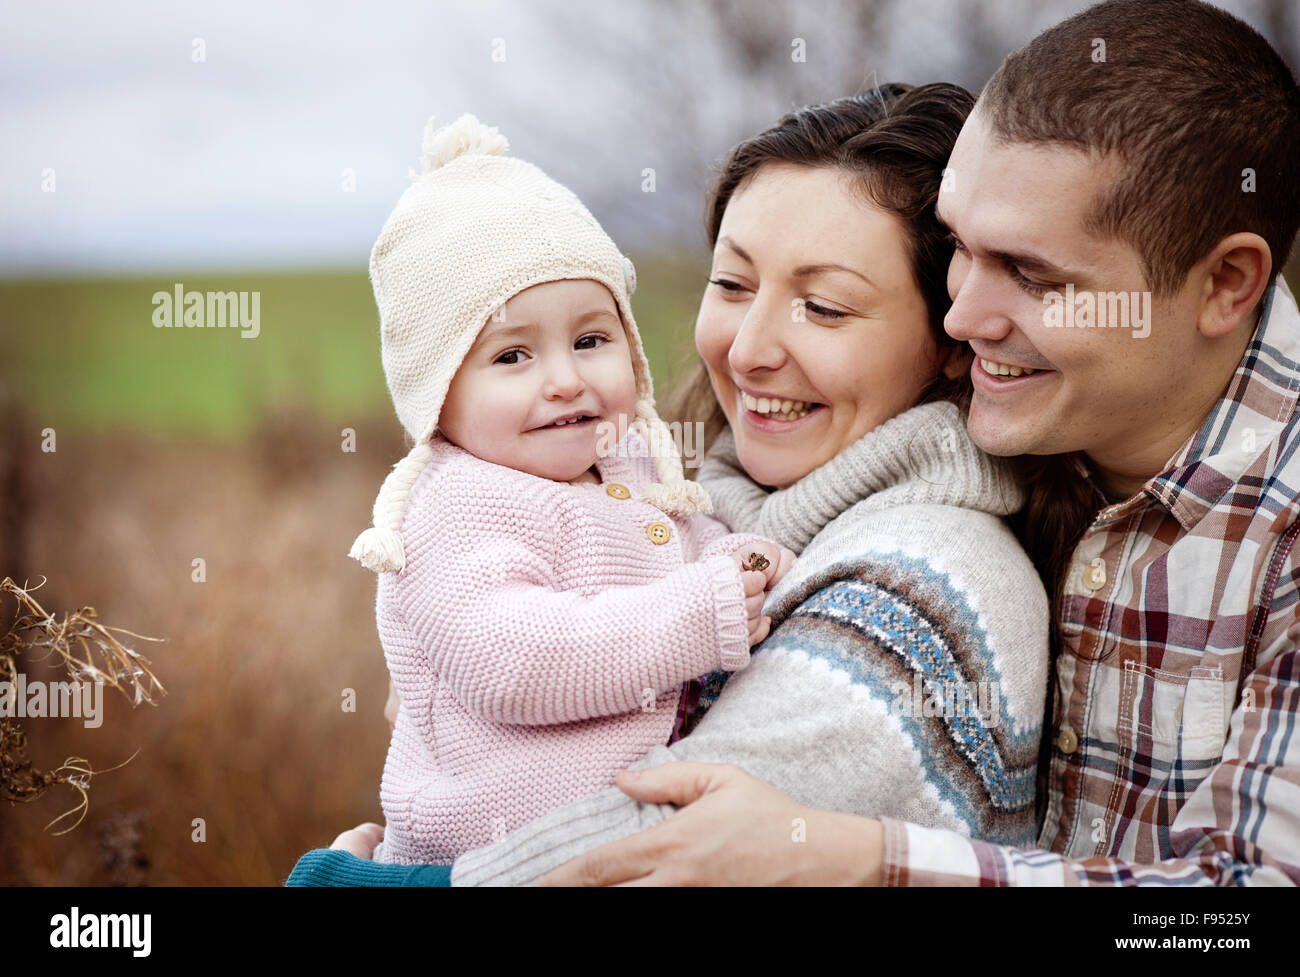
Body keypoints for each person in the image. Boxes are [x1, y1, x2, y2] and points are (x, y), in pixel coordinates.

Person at [524, 0, 1300, 885]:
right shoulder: (1053, 447)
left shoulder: (1267, 528)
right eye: (962, 248)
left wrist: (861, 860)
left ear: (1226, 283)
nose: (961, 317)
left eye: (1030, 273)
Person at [287, 82, 1052, 886]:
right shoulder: (691, 500)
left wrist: (352, 883)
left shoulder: (924, 591)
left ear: (950, 339)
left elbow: (642, 856)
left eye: (823, 307)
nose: (751, 348)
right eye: (732, 285)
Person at [343, 113, 793, 866]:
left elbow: (687, 550)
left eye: (591, 339)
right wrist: (697, 613)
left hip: (608, 849)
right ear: (437, 393)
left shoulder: (633, 465)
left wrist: (744, 562)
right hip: (482, 862)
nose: (565, 380)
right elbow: (512, 660)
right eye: (512, 355)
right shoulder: (452, 506)